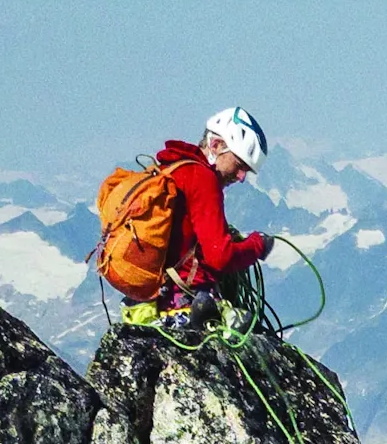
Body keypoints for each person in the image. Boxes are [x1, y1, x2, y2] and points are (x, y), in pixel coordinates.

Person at [99, 108, 275, 320]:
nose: (241, 177)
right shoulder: (203, 179)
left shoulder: (173, 168)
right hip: (183, 301)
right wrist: (257, 245)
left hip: (149, 303)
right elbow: (221, 257)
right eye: (239, 166)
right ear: (216, 145)